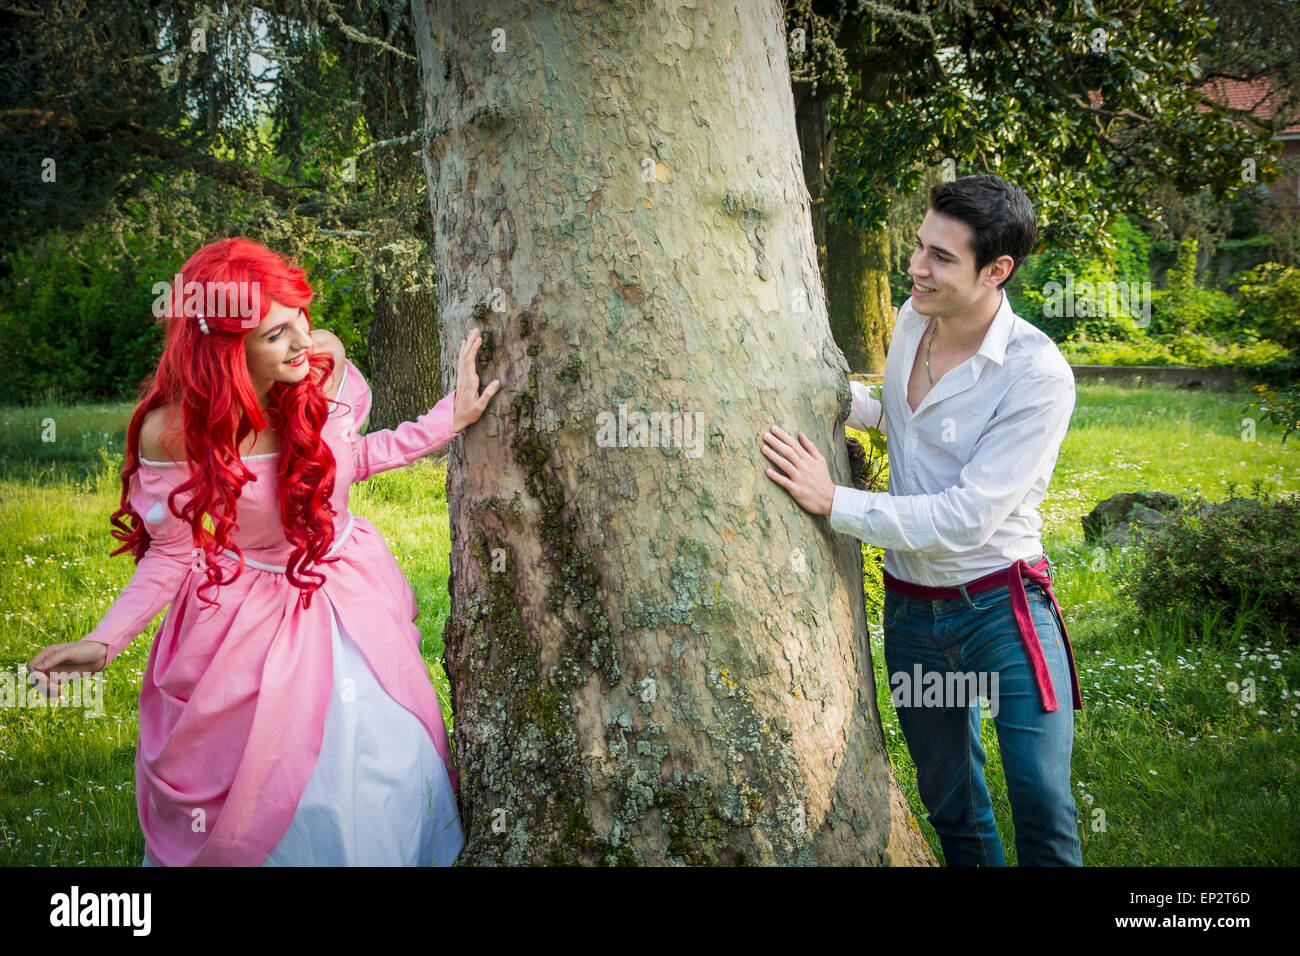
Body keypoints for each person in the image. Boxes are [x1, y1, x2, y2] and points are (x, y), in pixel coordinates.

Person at [25, 238, 500, 866]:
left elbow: (347, 461)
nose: (305, 340)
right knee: (274, 785)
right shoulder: (171, 431)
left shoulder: (317, 365)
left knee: (381, 760)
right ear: (224, 347)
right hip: (246, 617)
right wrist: (104, 640)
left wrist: (448, 419)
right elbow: (172, 554)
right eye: (277, 334)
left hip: (347, 597)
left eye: (300, 315)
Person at [760, 174, 1083, 866]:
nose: (915, 267)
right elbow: (904, 422)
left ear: (997, 271)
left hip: (1002, 606)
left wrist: (834, 501)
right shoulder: (913, 319)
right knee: (951, 804)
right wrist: (826, 398)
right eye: (918, 246)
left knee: (1042, 800)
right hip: (912, 613)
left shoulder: (1038, 375)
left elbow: (967, 517)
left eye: (941, 257)